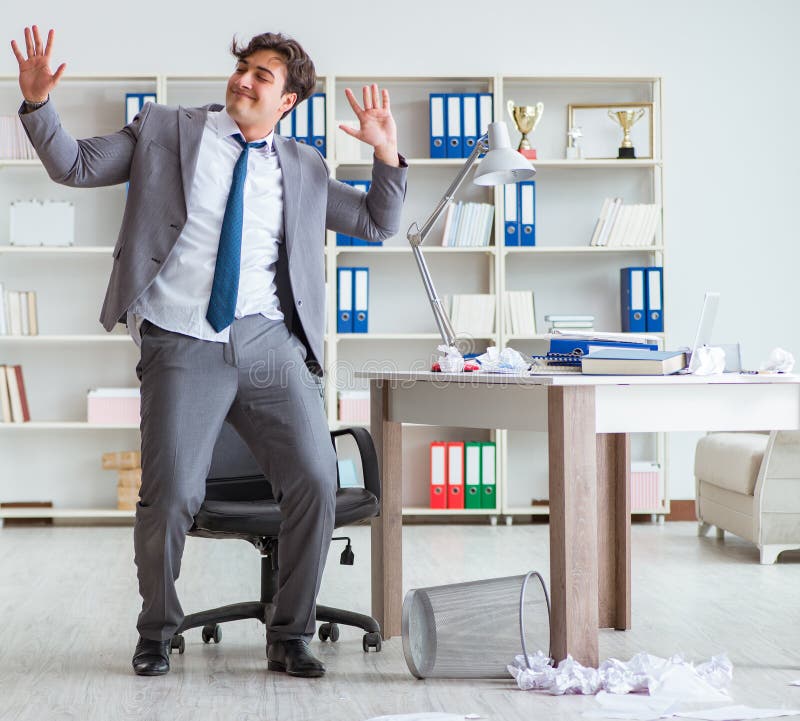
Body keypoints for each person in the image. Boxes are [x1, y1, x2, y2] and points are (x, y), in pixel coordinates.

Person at [11, 25, 407, 678]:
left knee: (316, 478)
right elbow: (75, 165)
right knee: (170, 494)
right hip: (181, 337)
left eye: (262, 76)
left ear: (287, 101)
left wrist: (387, 154)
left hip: (267, 342)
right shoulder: (165, 129)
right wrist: (37, 104)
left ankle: (290, 633)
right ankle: (157, 629)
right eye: (242, 67)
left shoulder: (304, 166)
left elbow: (376, 222)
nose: (243, 80)